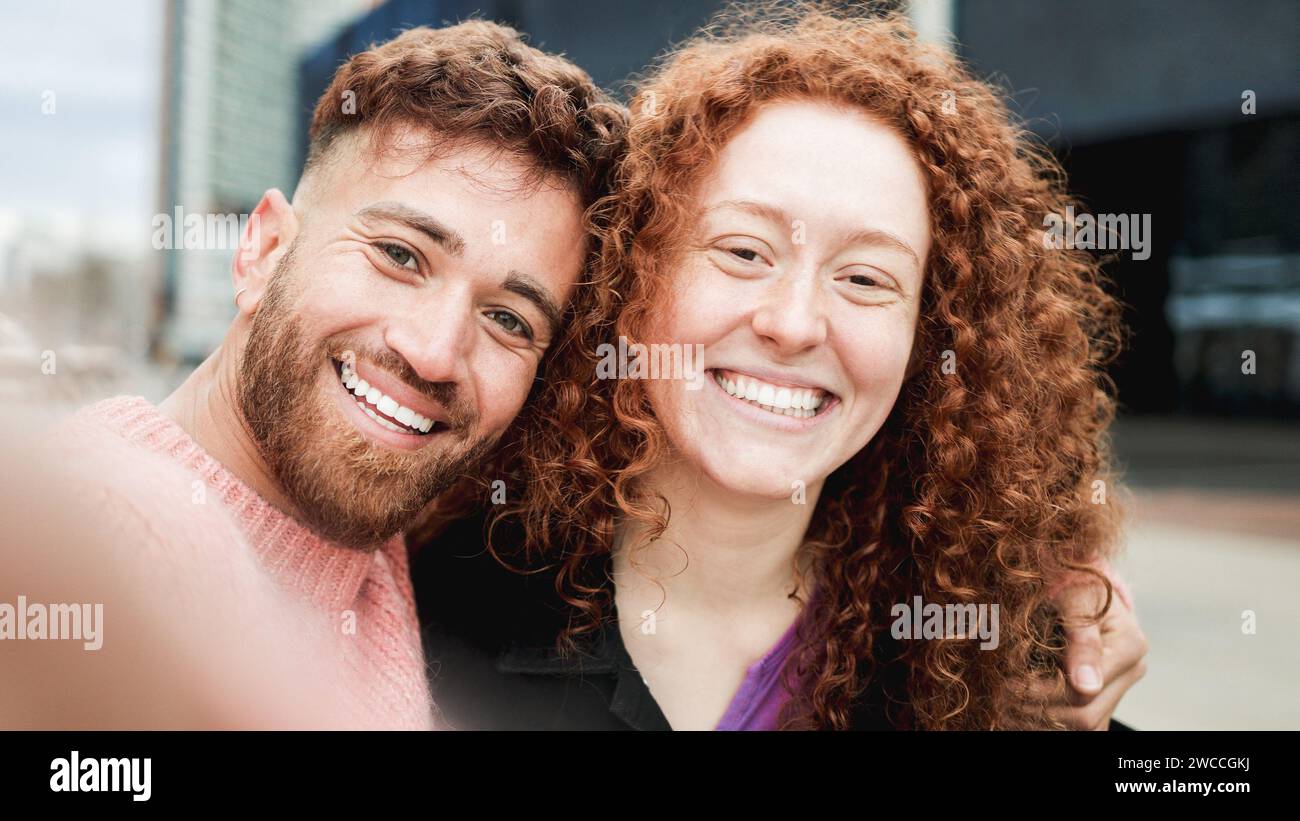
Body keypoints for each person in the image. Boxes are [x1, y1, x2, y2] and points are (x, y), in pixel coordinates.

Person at [413, 4, 1147, 730]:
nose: (793, 324)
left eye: (865, 278)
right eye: (743, 251)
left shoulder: (974, 669)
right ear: (632, 276)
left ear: (928, 343)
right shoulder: (420, 614)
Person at [0, 21, 624, 728]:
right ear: (264, 250)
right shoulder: (118, 534)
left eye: (508, 319)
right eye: (400, 255)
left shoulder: (376, 547)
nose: (434, 353)